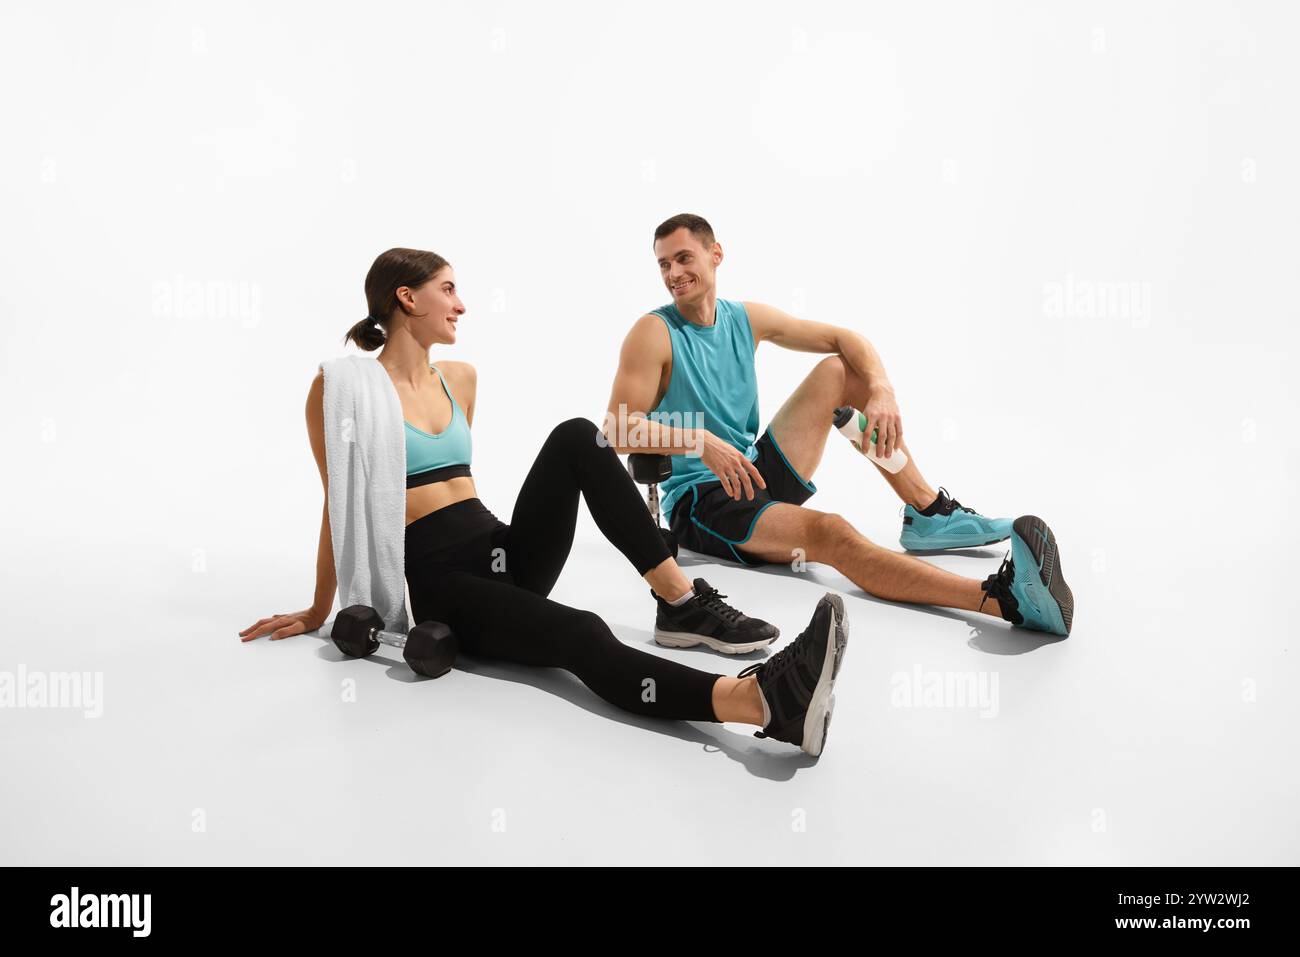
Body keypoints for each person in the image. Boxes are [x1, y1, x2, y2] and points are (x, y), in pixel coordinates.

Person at [239, 247, 849, 755]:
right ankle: (759, 702)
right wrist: (321, 607)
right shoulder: (342, 387)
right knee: (581, 632)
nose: (461, 304)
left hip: (498, 554)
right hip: (435, 579)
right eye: (447, 290)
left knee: (579, 435)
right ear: (406, 298)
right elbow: (337, 503)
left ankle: (681, 602)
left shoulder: (462, 378)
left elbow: (467, 486)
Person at [603, 215, 1073, 637]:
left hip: (754, 471)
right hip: (705, 501)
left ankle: (926, 513)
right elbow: (616, 429)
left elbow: (844, 338)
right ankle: (1003, 599)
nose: (673, 274)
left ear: (716, 254)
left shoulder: (744, 318)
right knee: (832, 533)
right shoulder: (653, 332)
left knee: (839, 369)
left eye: (683, 258)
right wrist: (698, 441)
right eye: (663, 265)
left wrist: (881, 390)